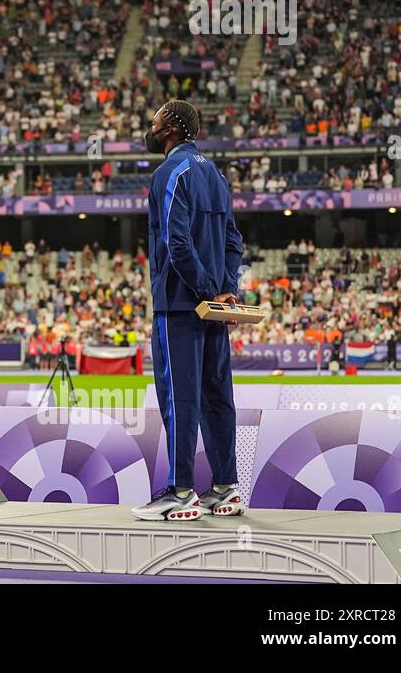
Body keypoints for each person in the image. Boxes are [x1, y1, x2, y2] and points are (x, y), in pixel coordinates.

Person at [132, 101, 246, 522]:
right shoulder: (216, 176)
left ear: (171, 129)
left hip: (180, 306)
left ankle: (181, 492)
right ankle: (224, 488)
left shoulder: (168, 173)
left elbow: (175, 243)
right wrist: (224, 292)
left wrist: (205, 292)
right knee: (217, 398)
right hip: (214, 309)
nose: (150, 125)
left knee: (179, 400)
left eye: (155, 119)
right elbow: (234, 242)